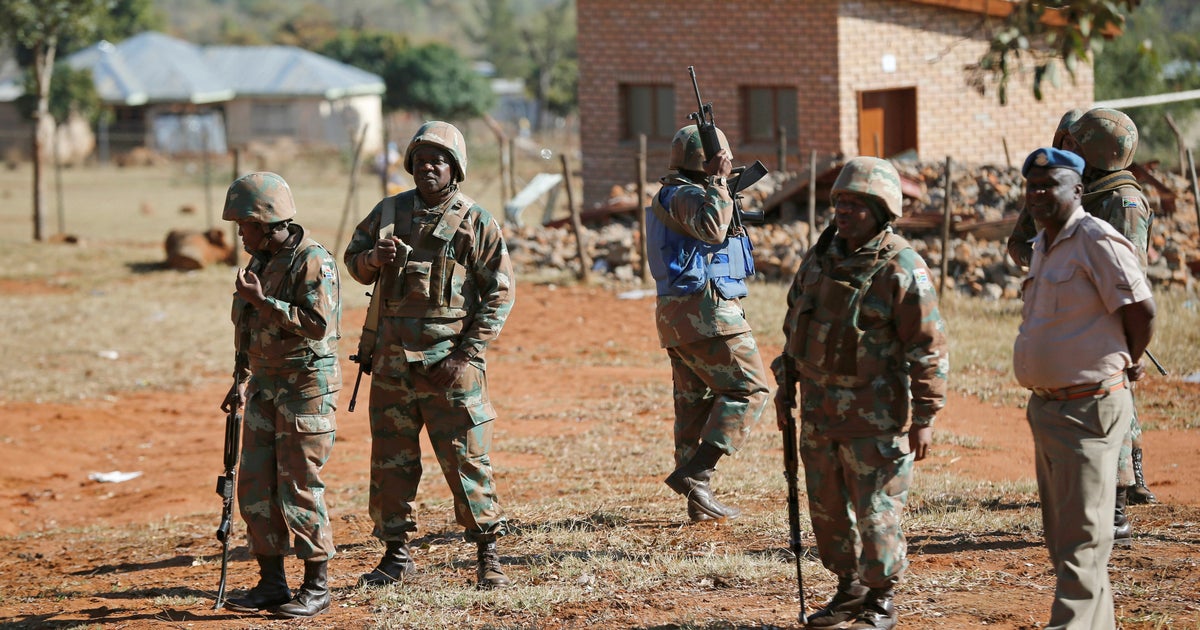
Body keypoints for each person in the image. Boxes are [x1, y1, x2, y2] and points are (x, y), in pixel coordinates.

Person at [772, 156, 948, 630]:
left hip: (876, 417)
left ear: (881, 209)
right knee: (827, 508)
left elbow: (926, 346)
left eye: (856, 203)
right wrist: (785, 384)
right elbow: (795, 325)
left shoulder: (902, 266)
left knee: (877, 511)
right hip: (819, 413)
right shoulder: (819, 258)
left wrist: (926, 415)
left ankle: (880, 599)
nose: (843, 211)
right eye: (839, 201)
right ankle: (849, 590)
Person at [343, 121, 516, 589]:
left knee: (466, 460)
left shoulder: (476, 221)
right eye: (420, 160)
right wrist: (373, 259)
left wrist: (466, 356)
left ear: (455, 168)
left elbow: (500, 294)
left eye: (438, 159)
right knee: (392, 463)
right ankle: (396, 555)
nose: (428, 167)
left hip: (449, 368)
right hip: (391, 367)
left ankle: (487, 556)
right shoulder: (389, 211)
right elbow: (353, 264)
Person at [1013, 147, 1155, 629]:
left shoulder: (1096, 239)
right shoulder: (1042, 244)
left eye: (1048, 184)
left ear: (1078, 189)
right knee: (1067, 546)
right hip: (1048, 411)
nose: (1036, 194)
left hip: (1091, 409)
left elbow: (1140, 310)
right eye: (1031, 185)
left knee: (1082, 550)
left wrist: (1127, 362)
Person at [220, 172, 342, 618]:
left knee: (299, 483)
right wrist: (239, 378)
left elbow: (318, 325)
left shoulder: (313, 261)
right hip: (265, 386)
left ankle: (316, 585)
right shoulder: (259, 262)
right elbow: (247, 328)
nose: (239, 233)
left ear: (268, 221)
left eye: (245, 224)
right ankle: (271, 583)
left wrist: (263, 300)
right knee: (255, 483)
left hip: (306, 386)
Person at [645, 124, 770, 523]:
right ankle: (696, 472)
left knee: (693, 403)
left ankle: (698, 497)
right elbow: (714, 230)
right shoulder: (686, 194)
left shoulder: (679, 194)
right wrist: (718, 182)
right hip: (706, 312)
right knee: (750, 389)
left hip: (681, 316)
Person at [1066, 108, 1159, 517]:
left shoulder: (1124, 201)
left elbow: (1127, 273)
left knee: (1110, 401)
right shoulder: (1092, 191)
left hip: (1110, 317)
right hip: (1084, 314)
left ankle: (1117, 503)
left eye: (1077, 144)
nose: (1069, 149)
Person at [1007, 108, 1083, 268]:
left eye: (1080, 144)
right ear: (1059, 143)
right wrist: (1041, 261)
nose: (1074, 151)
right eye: (1069, 143)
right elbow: (1016, 243)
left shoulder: (1103, 188)